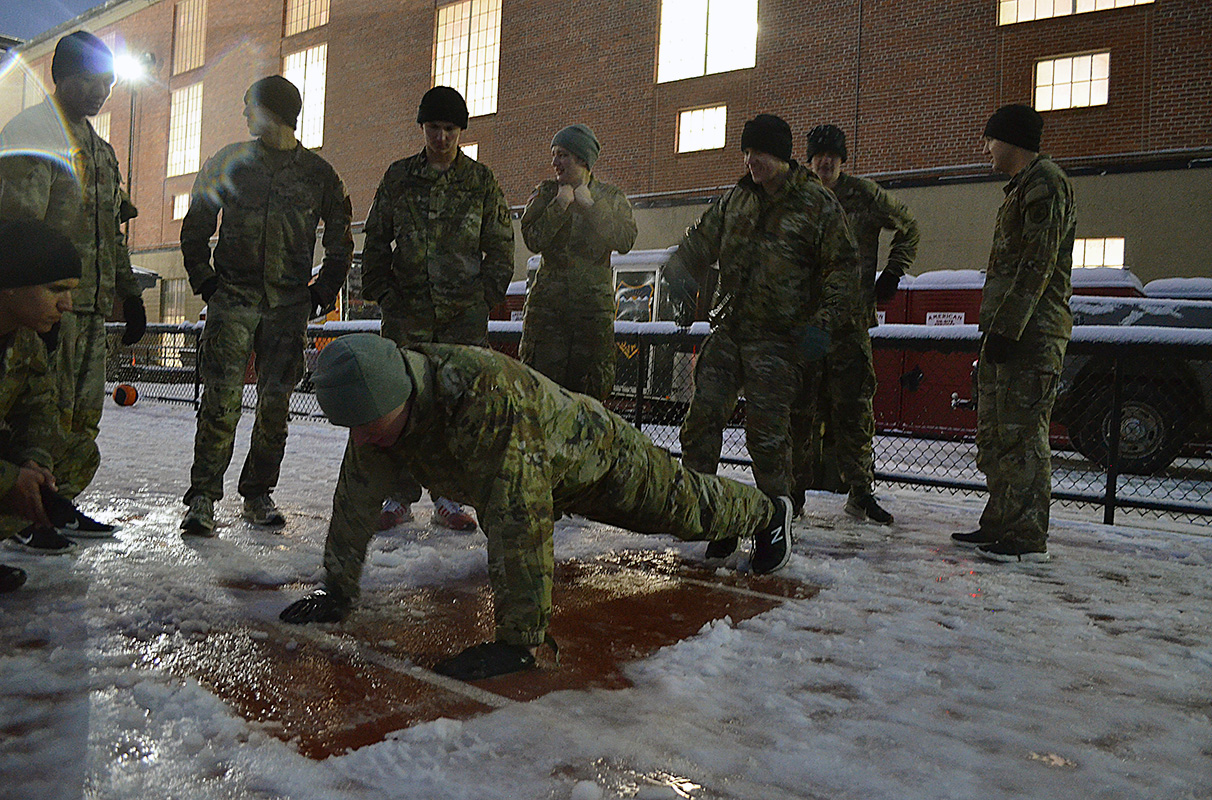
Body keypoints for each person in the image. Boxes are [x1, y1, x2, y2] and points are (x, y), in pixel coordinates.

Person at [278, 333, 793, 681]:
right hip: (539, 469)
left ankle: (768, 512)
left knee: (682, 509)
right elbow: (353, 502)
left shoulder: (486, 398)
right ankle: (736, 517)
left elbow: (518, 517)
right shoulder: (375, 411)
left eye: (370, 427)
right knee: (690, 514)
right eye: (354, 429)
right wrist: (338, 590)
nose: (363, 440)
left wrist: (520, 641)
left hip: (594, 458)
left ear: (404, 395)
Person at [664, 114, 857, 562]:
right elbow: (699, 242)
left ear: (783, 156)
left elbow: (843, 270)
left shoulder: (816, 204)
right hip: (730, 330)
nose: (751, 161)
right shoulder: (735, 201)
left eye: (761, 153)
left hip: (780, 340)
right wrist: (677, 271)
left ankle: (774, 521)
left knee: (767, 438)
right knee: (701, 421)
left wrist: (823, 323)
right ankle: (708, 512)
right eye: (747, 152)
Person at [178, 76, 354, 537]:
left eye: (249, 106)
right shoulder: (230, 163)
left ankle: (257, 493)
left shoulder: (319, 176)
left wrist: (321, 292)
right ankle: (202, 498)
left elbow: (341, 242)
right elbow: (196, 224)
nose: (243, 115)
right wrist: (205, 281)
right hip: (232, 298)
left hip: (288, 304)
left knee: (275, 406)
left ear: (274, 112)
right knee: (219, 401)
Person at [0, 32, 146, 548]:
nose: (101, 90)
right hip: (44, 307)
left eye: (108, 81)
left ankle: (56, 506)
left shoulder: (101, 151)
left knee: (82, 420)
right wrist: (22, 308)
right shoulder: (35, 134)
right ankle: (20, 516)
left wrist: (129, 294)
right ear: (62, 75)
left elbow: (114, 230)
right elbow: (15, 228)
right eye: (91, 79)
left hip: (88, 309)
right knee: (40, 414)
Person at [360, 86, 514, 532]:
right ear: (422, 129)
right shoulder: (398, 178)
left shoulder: (480, 182)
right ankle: (398, 497)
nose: (442, 137)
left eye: (449, 129)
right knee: (400, 407)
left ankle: (449, 496)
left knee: (456, 408)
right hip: (406, 315)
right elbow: (374, 239)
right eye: (433, 128)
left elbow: (501, 245)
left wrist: (485, 296)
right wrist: (384, 293)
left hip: (461, 320)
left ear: (461, 131)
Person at [952, 104, 1075, 563]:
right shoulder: (1022, 188)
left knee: (1022, 434)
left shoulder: (1045, 183)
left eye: (990, 139)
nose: (986, 147)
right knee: (996, 431)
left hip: (1031, 335)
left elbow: (1037, 264)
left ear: (1011, 140)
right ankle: (999, 521)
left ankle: (1024, 533)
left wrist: (1008, 328)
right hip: (1007, 333)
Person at [795, 124, 921, 524]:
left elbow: (910, 228)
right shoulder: (798, 197)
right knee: (802, 409)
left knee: (854, 408)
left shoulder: (864, 195)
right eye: (818, 155)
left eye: (832, 155)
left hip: (850, 325)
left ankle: (860, 491)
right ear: (809, 159)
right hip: (808, 325)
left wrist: (894, 272)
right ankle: (792, 492)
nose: (825, 161)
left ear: (843, 159)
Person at [0, 218, 97, 582]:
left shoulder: (25, 339)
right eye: (56, 288)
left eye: (71, 290)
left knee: (74, 454)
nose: (67, 305)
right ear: (10, 283)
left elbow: (38, 409)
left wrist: (33, 462)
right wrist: (9, 479)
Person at [519, 124, 637, 400]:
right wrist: (558, 207)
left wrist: (592, 208)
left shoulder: (610, 197)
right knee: (541, 393)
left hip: (591, 316)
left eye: (562, 155)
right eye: (554, 154)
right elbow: (532, 240)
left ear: (582, 160)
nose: (555, 162)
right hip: (547, 315)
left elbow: (625, 240)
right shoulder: (546, 194)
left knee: (590, 395)